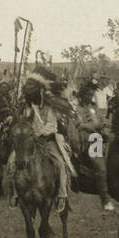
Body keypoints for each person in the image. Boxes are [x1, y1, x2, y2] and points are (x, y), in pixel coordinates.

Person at [16, 70, 75, 212]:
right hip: (29, 141)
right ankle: (15, 193)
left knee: (60, 164)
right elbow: (23, 123)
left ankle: (62, 195)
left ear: (41, 91)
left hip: (49, 141)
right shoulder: (27, 107)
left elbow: (51, 125)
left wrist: (37, 134)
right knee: (14, 162)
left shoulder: (50, 107)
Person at [72, 77, 115, 211]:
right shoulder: (76, 109)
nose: (90, 97)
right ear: (82, 95)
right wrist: (93, 126)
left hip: (98, 137)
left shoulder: (93, 108)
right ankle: (105, 199)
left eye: (91, 95)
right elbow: (80, 126)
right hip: (85, 141)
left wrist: (102, 125)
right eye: (88, 95)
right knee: (100, 166)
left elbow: (101, 122)